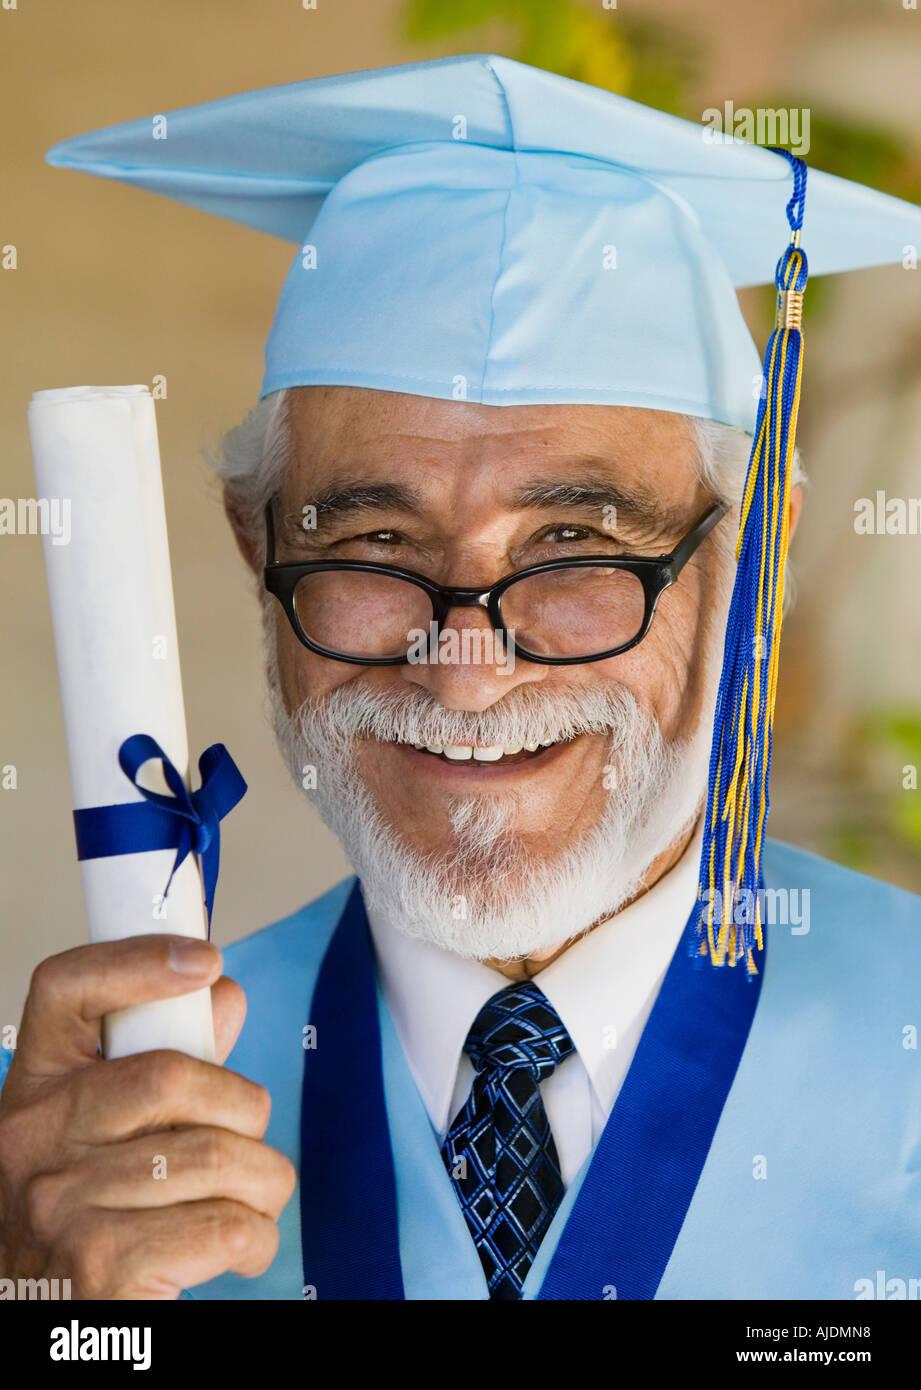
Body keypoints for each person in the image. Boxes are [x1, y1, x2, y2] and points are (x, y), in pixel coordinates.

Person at [2, 54, 920, 1301]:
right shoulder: (75, 1154)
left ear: (760, 544)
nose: (468, 674)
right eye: (374, 543)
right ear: (252, 544)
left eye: (575, 545)